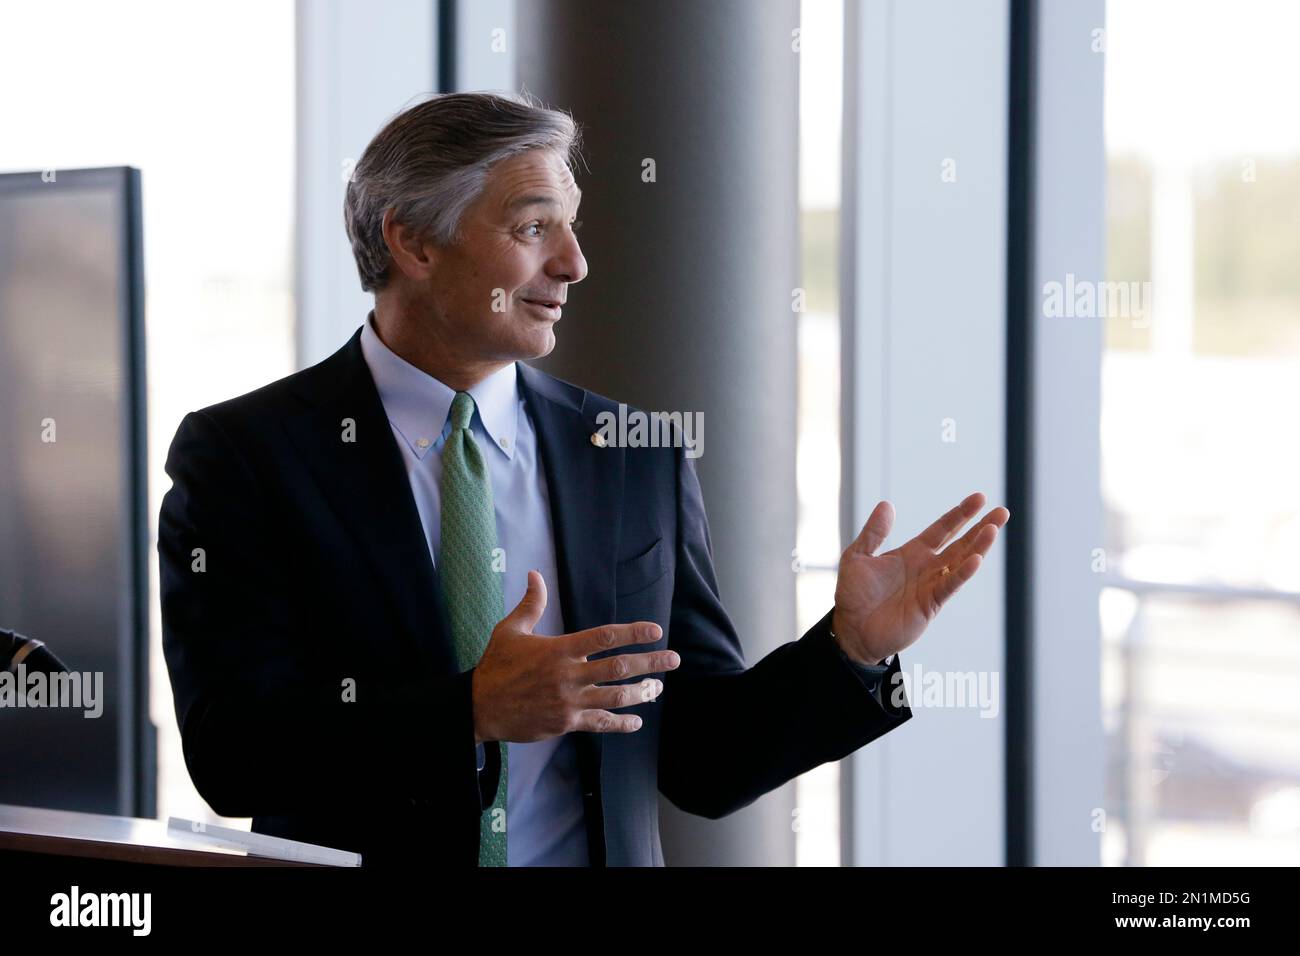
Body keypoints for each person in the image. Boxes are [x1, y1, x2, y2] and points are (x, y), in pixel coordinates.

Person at [158, 91, 1008, 867]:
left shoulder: (633, 452)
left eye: (569, 226)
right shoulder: (245, 457)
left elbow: (702, 762)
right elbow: (234, 756)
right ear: (412, 239)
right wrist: (472, 710)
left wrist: (849, 652)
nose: (574, 264)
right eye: (533, 228)